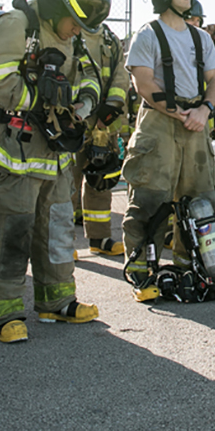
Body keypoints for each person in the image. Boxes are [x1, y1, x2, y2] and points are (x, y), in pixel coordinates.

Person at [0, 0, 108, 342]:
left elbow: (89, 75)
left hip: (58, 155)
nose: (78, 31)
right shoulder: (18, 25)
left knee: (58, 230)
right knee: (14, 232)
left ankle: (58, 301)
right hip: (19, 150)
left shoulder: (74, 37)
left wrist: (83, 102)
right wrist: (43, 101)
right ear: (56, 7)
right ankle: (5, 313)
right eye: (75, 23)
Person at [121, 0, 215, 301]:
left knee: (200, 202)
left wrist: (205, 110)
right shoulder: (146, 35)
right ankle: (141, 271)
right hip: (159, 124)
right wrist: (185, 114)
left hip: (195, 124)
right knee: (149, 198)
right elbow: (144, 85)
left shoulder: (200, 38)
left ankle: (190, 267)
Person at [71, 22, 128, 257]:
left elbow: (121, 75)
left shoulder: (109, 38)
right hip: (73, 123)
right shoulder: (68, 32)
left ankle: (99, 238)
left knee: (101, 182)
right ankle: (64, 243)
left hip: (103, 124)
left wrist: (111, 109)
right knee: (66, 185)